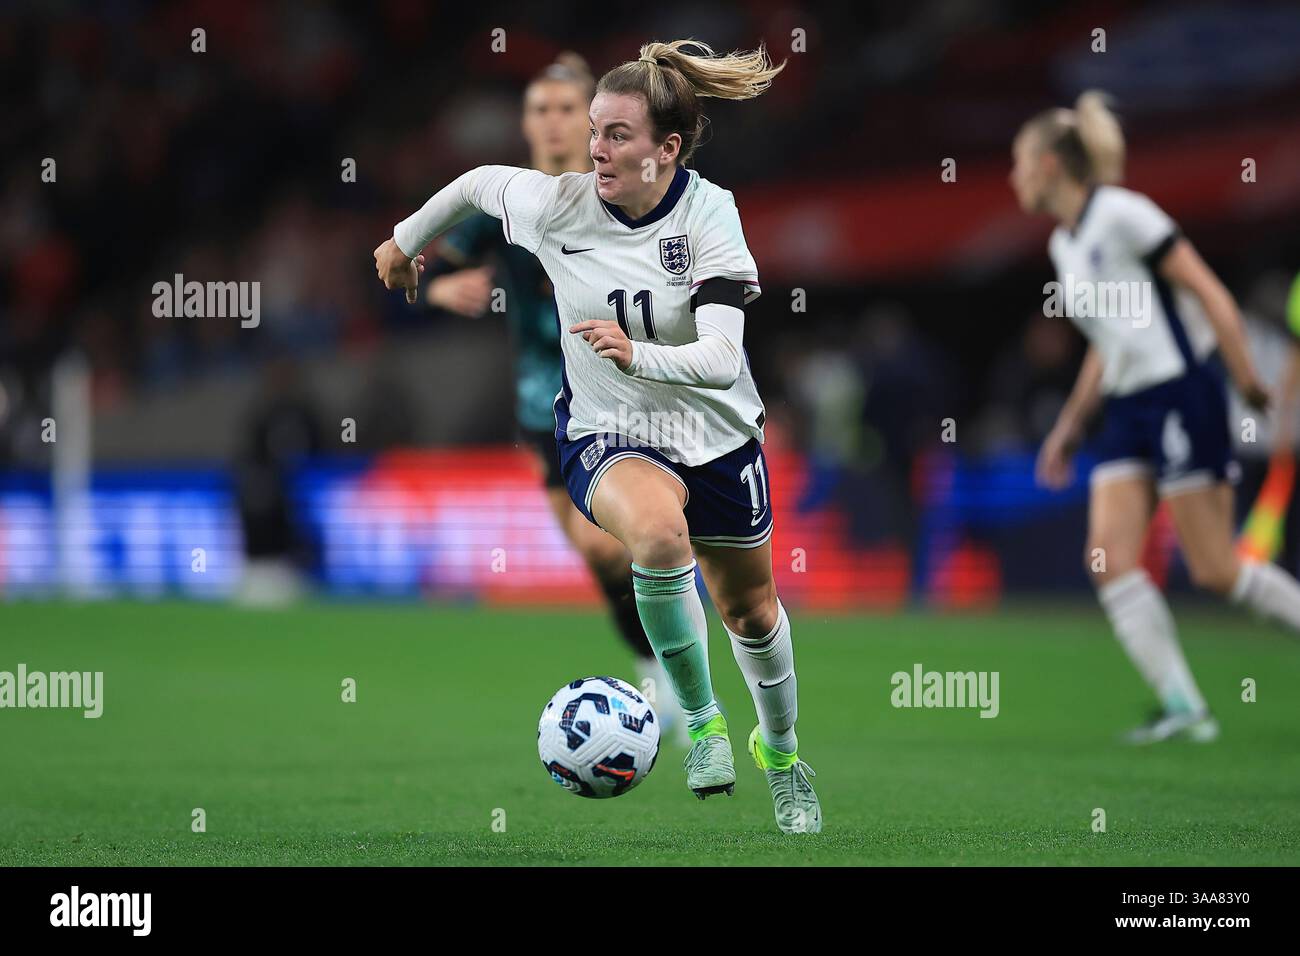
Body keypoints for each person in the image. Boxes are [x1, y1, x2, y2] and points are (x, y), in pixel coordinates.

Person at [375, 39, 821, 833]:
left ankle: (782, 754)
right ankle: (705, 727)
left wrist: (634, 351)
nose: (596, 150)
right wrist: (401, 243)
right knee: (656, 537)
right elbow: (476, 185)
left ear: (666, 149)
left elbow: (722, 359)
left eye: (617, 135)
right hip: (606, 431)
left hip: (715, 436)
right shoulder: (559, 204)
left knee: (752, 612)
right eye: (594, 131)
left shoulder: (709, 213)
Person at [419, 53, 688, 743]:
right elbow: (421, 268)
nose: (553, 122)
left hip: (629, 394)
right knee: (599, 555)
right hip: (545, 404)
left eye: (568, 109)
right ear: (525, 122)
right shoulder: (510, 202)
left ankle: (678, 674)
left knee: (620, 545)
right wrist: (441, 288)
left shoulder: (625, 195)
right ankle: (655, 659)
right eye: (540, 109)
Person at [1018, 91, 1300, 743]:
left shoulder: (1123, 213)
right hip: (1127, 406)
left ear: (1049, 164)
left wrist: (1245, 378)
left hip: (1181, 392)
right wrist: (1069, 425)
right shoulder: (1064, 243)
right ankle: (1185, 708)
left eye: (1019, 162)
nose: (1014, 177)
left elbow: (1209, 291)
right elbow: (1109, 340)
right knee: (1108, 559)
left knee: (1215, 570)